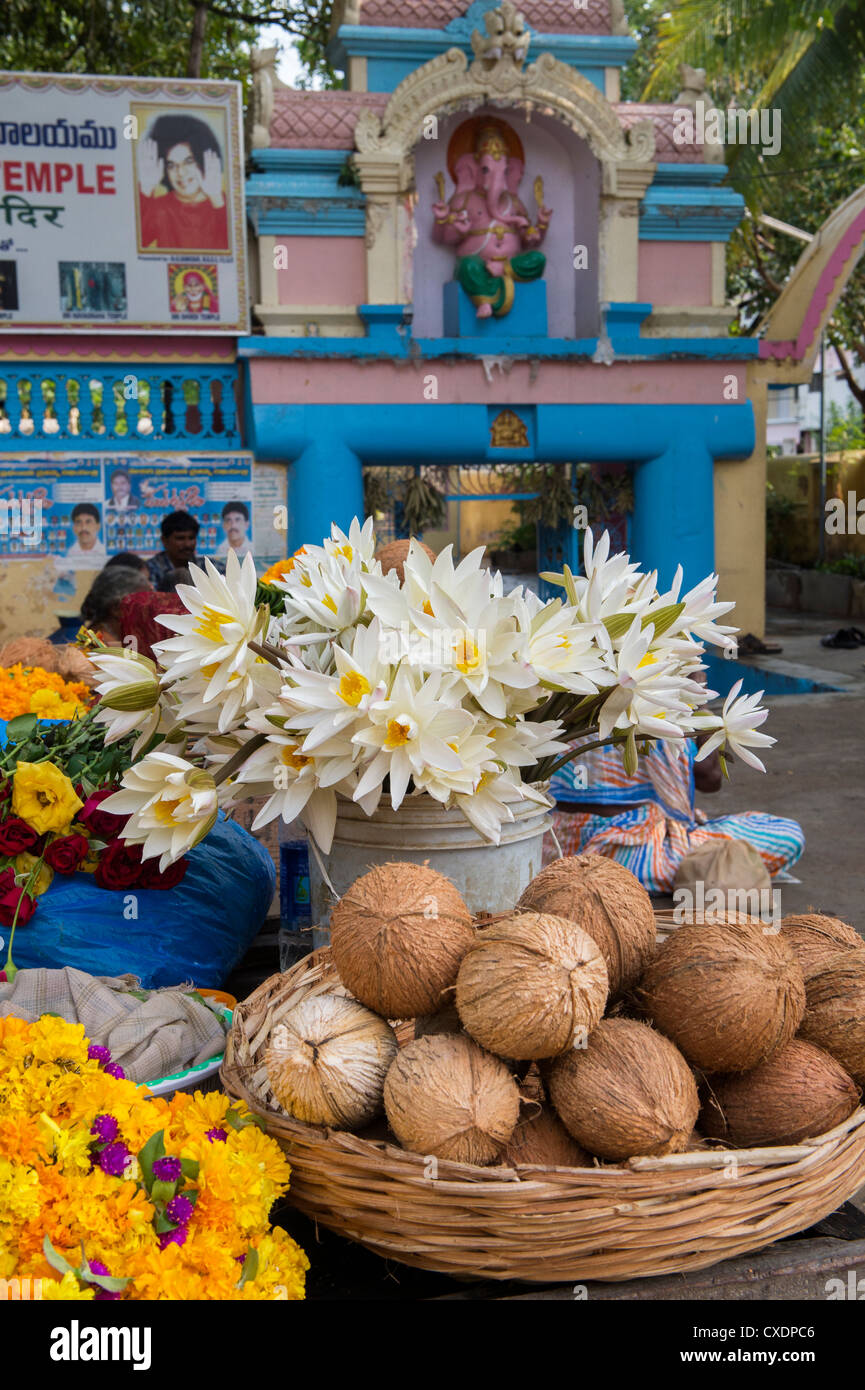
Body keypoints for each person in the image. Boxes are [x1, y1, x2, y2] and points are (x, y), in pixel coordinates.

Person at [545, 735, 804, 893]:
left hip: (554, 841)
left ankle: (603, 874)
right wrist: (700, 706)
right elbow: (710, 778)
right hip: (634, 849)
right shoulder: (665, 696)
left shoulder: (558, 692)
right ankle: (626, 873)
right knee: (787, 835)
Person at [137, 113, 230, 252]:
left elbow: (236, 247)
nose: (181, 173)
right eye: (172, 165)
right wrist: (146, 189)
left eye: (189, 162)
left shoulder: (224, 205)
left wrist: (216, 198)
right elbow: (133, 245)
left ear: (204, 160)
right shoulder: (160, 208)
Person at [80, 566, 151, 645]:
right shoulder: (98, 644)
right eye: (143, 601)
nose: (151, 607)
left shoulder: (120, 635)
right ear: (116, 609)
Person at [147, 511, 207, 588]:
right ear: (164, 540)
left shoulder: (208, 567)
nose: (187, 544)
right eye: (180, 538)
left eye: (191, 538)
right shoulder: (150, 570)